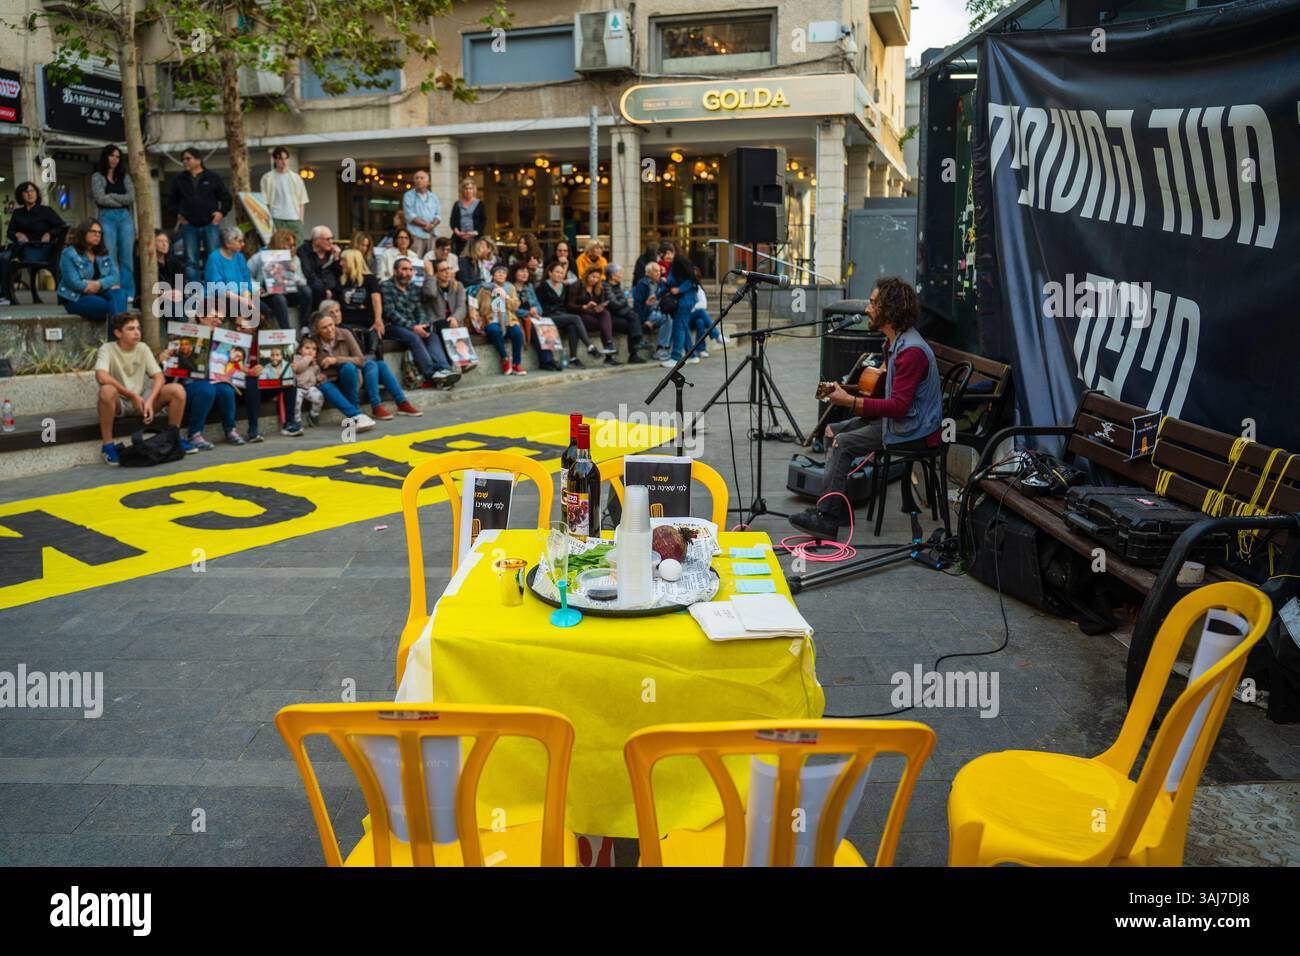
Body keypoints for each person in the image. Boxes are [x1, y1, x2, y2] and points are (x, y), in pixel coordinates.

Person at [790, 277, 943, 540]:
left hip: (913, 430)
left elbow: (897, 406)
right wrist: (843, 390)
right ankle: (838, 507)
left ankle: (827, 518)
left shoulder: (911, 352)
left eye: (873, 303)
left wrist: (849, 401)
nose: (867, 309)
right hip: (900, 421)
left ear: (890, 308)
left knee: (844, 442)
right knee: (831, 430)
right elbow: (886, 394)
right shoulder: (894, 344)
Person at [95, 312, 192, 464]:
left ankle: (174, 438)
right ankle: (107, 446)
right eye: (131, 329)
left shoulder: (143, 348)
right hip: (119, 402)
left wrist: (150, 400)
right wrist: (131, 395)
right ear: (118, 333)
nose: (137, 332)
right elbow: (101, 376)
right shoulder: (107, 349)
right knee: (106, 391)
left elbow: (159, 377)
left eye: (138, 328)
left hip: (142, 400)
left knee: (177, 390)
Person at [309, 312, 422, 425]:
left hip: (351, 376)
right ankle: (357, 413)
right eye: (324, 328)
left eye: (331, 325)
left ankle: (401, 403)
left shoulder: (344, 333)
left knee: (370, 366)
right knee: (333, 379)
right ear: (317, 330)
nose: (329, 330)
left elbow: (360, 360)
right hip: (331, 379)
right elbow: (311, 365)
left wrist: (335, 360)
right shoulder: (313, 342)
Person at [379, 255, 459, 388]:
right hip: (392, 326)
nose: (408, 273)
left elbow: (420, 310)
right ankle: (431, 374)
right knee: (414, 338)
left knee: (431, 334)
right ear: (395, 271)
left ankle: (444, 370)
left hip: (414, 326)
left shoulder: (414, 288)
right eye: (404, 269)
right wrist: (413, 327)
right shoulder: (385, 286)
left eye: (410, 270)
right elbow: (390, 313)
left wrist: (423, 325)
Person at [167, 147, 233, 284]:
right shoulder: (179, 179)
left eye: (188, 158)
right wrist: (179, 216)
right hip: (189, 226)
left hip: (211, 225)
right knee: (191, 260)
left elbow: (227, 198)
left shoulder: (213, 177)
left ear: (198, 160)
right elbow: (171, 202)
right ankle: (194, 292)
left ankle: (216, 289)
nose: (184, 162)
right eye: (183, 159)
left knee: (214, 258)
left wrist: (220, 213)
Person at [57, 219, 128, 337]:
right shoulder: (69, 253)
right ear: (83, 233)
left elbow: (115, 276)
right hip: (76, 298)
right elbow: (74, 283)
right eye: (93, 232)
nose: (97, 235)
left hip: (100, 293)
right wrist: (100, 285)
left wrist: (98, 284)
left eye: (100, 233)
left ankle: (114, 343)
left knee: (120, 294)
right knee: (113, 307)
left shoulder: (103, 253)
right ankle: (117, 342)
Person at [0, 182, 67, 304]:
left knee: (5, 257)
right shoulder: (17, 213)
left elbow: (62, 227)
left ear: (37, 194)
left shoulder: (46, 211)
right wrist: (17, 234)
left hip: (41, 249)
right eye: (26, 192)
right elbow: (10, 232)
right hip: (22, 249)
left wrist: (49, 234)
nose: (30, 194)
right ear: (21, 195)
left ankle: (5, 295)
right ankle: (6, 296)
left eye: (32, 191)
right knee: (3, 258)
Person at [91, 144, 136, 306]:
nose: (114, 160)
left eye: (117, 157)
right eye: (112, 156)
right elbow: (100, 198)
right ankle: (112, 288)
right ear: (105, 157)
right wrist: (119, 199)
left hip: (125, 218)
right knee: (108, 255)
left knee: (127, 257)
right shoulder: (97, 176)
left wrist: (112, 196)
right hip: (106, 217)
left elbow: (130, 197)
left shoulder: (125, 177)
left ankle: (129, 291)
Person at [537, 259, 595, 367]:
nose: (559, 275)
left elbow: (563, 305)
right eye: (557, 272)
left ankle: (573, 358)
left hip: (560, 315)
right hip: (548, 316)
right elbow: (541, 306)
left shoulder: (563, 287)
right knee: (576, 318)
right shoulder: (543, 287)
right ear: (550, 273)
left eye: (561, 273)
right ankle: (590, 346)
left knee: (572, 326)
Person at [422, 258, 478, 371]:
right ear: (436, 273)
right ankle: (461, 363)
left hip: (454, 323)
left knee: (449, 326)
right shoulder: (430, 285)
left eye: (448, 268)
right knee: (445, 326)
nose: (447, 272)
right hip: (435, 323)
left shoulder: (458, 285)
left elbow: (462, 307)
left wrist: (455, 317)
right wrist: (430, 275)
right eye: (443, 270)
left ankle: (458, 363)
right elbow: (430, 294)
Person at [247, 228, 308, 330]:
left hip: (289, 292)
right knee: (279, 298)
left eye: (293, 245)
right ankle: (286, 331)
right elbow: (246, 276)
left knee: (307, 291)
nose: (292, 248)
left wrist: (293, 274)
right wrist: (258, 290)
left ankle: (304, 327)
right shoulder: (260, 257)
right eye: (289, 245)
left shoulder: (295, 259)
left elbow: (303, 281)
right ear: (279, 244)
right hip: (268, 294)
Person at [512, 262, 564, 372]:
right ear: (514, 273)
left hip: (533, 316)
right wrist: (527, 313)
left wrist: (536, 311)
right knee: (535, 328)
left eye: (526, 271)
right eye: (521, 271)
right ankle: (546, 361)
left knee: (544, 324)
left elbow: (538, 306)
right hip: (519, 317)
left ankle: (549, 359)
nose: (525, 274)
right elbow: (512, 309)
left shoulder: (529, 287)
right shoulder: (509, 287)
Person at [476, 263, 526, 375]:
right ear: (493, 275)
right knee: (494, 330)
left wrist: (505, 297)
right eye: (498, 272)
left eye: (503, 273)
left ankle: (516, 364)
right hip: (491, 319)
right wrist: (495, 298)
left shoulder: (510, 287)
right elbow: (480, 307)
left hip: (509, 320)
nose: (501, 275)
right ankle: (505, 358)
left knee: (517, 332)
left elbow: (516, 305)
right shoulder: (485, 288)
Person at [567, 266, 620, 365]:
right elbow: (569, 305)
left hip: (594, 315)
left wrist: (599, 307)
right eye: (593, 277)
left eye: (597, 278)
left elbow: (602, 303)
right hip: (581, 316)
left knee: (605, 313)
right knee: (605, 325)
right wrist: (584, 306)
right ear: (587, 275)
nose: (594, 280)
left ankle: (609, 344)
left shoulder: (599, 288)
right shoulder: (577, 286)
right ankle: (608, 354)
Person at [662, 252, 703, 368]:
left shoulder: (679, 263)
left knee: (678, 328)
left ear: (670, 252)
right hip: (684, 301)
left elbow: (691, 279)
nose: (664, 258)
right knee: (684, 327)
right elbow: (670, 284)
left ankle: (675, 357)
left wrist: (680, 289)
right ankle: (692, 355)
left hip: (684, 302)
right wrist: (658, 294)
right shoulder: (674, 265)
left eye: (664, 254)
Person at [259, 146, 309, 240]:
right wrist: (269, 219)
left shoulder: (296, 178)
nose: (284, 161)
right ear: (275, 159)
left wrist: (300, 221)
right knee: (278, 247)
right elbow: (265, 202)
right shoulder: (267, 178)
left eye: (286, 158)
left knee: (297, 246)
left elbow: (302, 200)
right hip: (276, 218)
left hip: (294, 218)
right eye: (280, 158)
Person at [604, 263, 645, 363]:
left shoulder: (617, 286)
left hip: (620, 314)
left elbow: (620, 302)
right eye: (620, 273)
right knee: (633, 319)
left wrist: (624, 301)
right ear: (613, 276)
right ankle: (635, 349)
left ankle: (634, 354)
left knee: (632, 324)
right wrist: (625, 300)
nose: (621, 275)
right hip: (610, 317)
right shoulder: (606, 286)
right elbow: (614, 304)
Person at [633, 261, 671, 361]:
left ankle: (662, 347)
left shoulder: (661, 283)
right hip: (647, 313)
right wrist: (644, 320)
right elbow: (637, 305)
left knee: (669, 317)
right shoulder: (642, 284)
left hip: (659, 311)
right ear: (648, 273)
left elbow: (668, 288)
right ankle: (660, 348)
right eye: (655, 271)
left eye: (659, 271)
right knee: (666, 318)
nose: (658, 273)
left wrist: (665, 281)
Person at [298, 225, 342, 311]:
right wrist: (325, 289)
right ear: (316, 240)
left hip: (330, 284)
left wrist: (337, 258)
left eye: (332, 238)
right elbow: (309, 273)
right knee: (317, 288)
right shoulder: (304, 250)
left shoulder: (332, 251)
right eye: (328, 239)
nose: (331, 242)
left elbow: (339, 273)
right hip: (312, 284)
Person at [401, 169, 441, 258]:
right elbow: (409, 216)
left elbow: (438, 215)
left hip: (432, 235)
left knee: (431, 261)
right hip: (415, 235)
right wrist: (427, 225)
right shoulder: (408, 196)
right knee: (415, 261)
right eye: (416, 178)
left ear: (428, 182)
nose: (419, 180)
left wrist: (432, 225)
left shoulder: (433, 197)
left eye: (422, 178)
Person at [292, 337, 327, 426]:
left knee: (319, 397)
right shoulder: (296, 359)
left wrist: (319, 378)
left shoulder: (314, 364)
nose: (311, 351)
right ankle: (297, 420)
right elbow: (299, 369)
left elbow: (316, 375)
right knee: (296, 401)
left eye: (314, 349)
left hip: (310, 387)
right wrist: (308, 359)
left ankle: (313, 415)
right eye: (307, 348)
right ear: (300, 350)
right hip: (297, 387)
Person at [449, 178, 484, 256]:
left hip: (475, 238)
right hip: (459, 238)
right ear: (462, 190)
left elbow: (483, 221)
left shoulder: (479, 204)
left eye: (470, 188)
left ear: (474, 190)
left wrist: (475, 233)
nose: (468, 191)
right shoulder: (457, 204)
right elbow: (452, 220)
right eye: (466, 188)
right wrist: (457, 232)